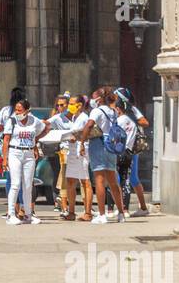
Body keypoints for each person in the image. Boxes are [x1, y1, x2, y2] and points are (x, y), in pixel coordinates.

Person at [81, 87, 128, 224]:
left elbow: (89, 125)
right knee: (113, 181)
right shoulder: (113, 111)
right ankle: (121, 213)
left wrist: (82, 141)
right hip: (111, 145)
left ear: (99, 99)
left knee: (99, 180)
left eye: (93, 97)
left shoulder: (96, 111)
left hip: (99, 145)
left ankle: (102, 215)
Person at [1, 99, 43, 225]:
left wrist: (35, 144)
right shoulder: (12, 121)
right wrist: (5, 158)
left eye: (20, 110)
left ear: (27, 110)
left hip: (29, 154)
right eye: (16, 109)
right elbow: (6, 141)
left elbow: (43, 129)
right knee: (15, 184)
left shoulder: (34, 121)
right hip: (15, 153)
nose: (17, 112)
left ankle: (28, 215)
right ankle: (11, 214)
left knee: (28, 185)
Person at [115, 87, 151, 216]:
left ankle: (130, 208)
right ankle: (139, 207)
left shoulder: (132, 110)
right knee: (128, 178)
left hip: (130, 149)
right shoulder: (116, 109)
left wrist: (130, 119)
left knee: (131, 179)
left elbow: (144, 122)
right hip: (122, 149)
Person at [0, 87, 26, 219]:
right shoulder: (25, 111)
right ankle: (23, 208)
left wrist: (5, 129)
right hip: (20, 147)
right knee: (22, 179)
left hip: (7, 147)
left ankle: (12, 209)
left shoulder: (5, 110)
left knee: (10, 180)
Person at [62, 94, 93, 221]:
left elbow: (83, 133)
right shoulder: (75, 117)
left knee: (85, 181)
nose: (70, 106)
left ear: (79, 105)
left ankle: (88, 212)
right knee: (70, 181)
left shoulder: (84, 117)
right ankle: (71, 212)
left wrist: (79, 141)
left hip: (82, 151)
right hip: (72, 151)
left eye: (72, 103)